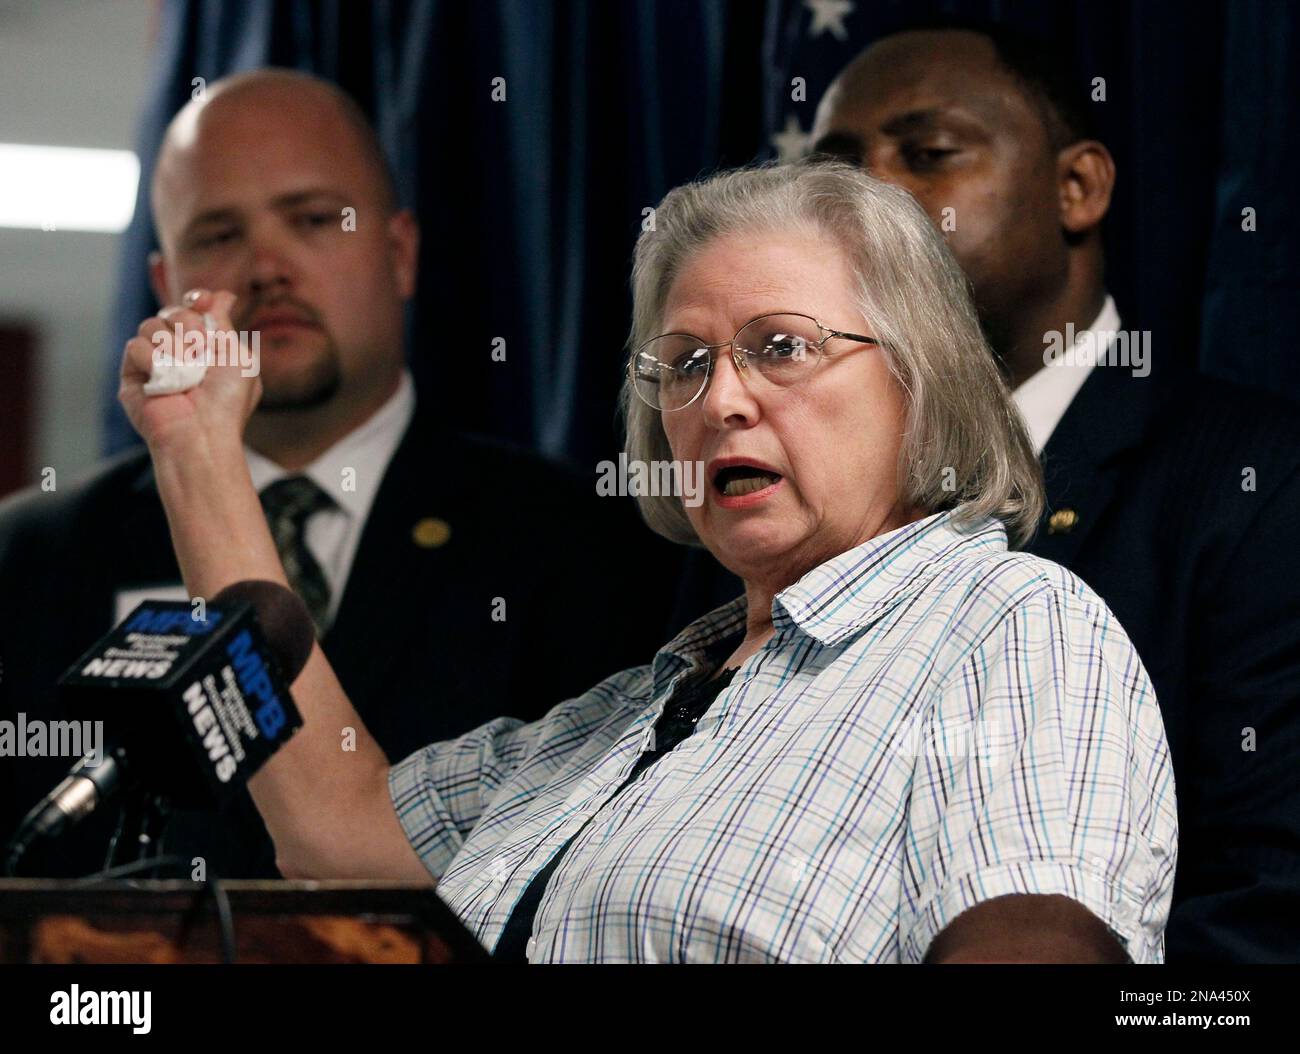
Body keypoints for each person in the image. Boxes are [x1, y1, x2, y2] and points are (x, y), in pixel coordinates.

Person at [116, 161, 1177, 963]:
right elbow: (332, 831)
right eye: (683, 363)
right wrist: (197, 453)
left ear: (920, 376)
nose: (719, 401)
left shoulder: (1006, 621)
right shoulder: (625, 718)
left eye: (782, 346)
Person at [0, 69, 682, 878]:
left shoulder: (584, 541)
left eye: (316, 219)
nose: (265, 267)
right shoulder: (29, 555)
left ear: (398, 254)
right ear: (163, 284)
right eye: (218, 235)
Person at [808, 21, 1300, 962]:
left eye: (927, 154)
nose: (866, 197)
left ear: (1078, 186)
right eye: (839, 168)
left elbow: (1263, 927)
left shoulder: (1258, 485)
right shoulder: (778, 500)